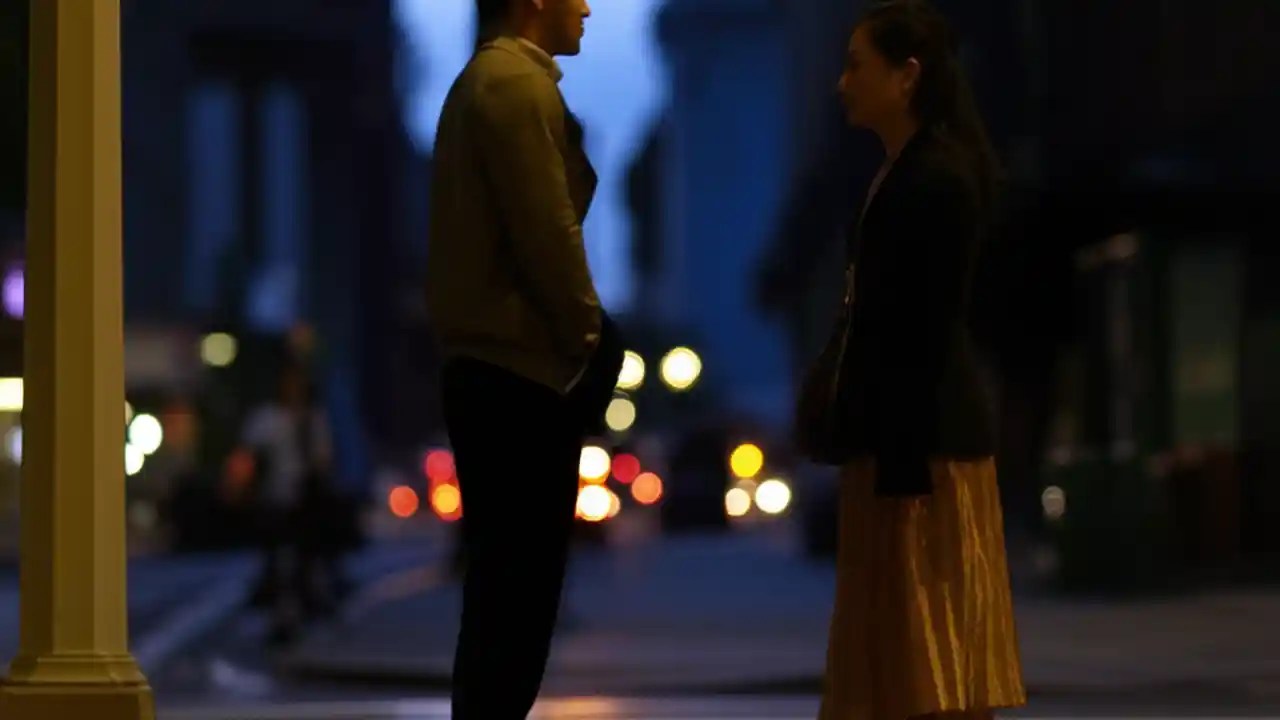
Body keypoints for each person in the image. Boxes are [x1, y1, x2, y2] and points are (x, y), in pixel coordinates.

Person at [813, 1, 1027, 718]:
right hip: (901, 448)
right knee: (901, 658)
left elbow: (921, 332)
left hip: (921, 455)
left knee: (927, 660)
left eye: (855, 66)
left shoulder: (936, 178)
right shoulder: (903, 173)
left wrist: (894, 460)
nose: (841, 83)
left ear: (907, 76)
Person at [425, 0, 621, 717]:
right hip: (519, 374)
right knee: (517, 603)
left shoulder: (492, 82)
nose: (587, 6)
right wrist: (591, 336)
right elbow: (550, 233)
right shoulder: (513, 86)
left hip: (496, 369)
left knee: (502, 599)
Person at [242, 365, 335, 645]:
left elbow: (323, 461)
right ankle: (279, 615)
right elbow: (250, 457)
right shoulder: (267, 419)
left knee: (303, 563)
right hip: (274, 500)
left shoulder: (313, 419)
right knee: (276, 563)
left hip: (305, 503)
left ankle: (299, 613)